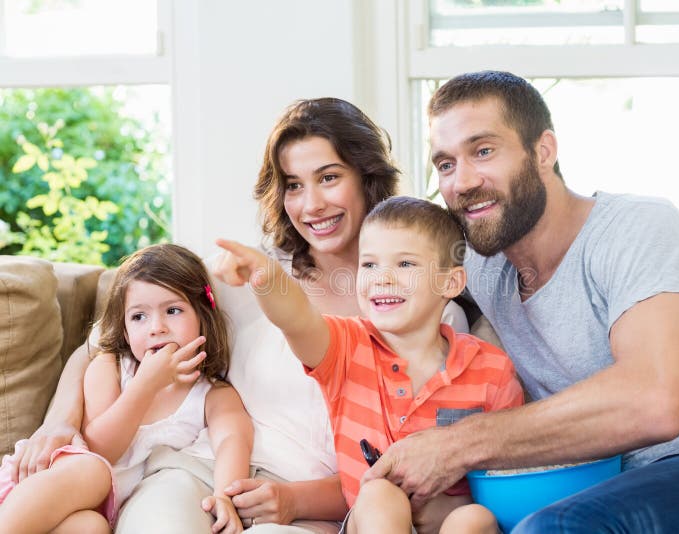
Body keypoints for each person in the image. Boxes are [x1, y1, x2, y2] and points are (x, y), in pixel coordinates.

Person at [362, 70, 679, 532]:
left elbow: (657, 400)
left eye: (483, 151)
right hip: (605, 486)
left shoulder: (638, 228)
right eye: (446, 164)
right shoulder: (483, 263)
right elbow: (384, 269)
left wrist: (457, 445)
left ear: (543, 151)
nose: (462, 181)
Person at [8, 97, 466, 533]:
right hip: (198, 473)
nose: (311, 205)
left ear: (367, 177)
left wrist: (295, 500)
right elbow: (100, 348)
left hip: (318, 506)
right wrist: (59, 422)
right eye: (293, 185)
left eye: (328, 177)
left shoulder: (423, 310)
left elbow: (403, 468)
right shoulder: (245, 274)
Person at [214, 196, 524, 534]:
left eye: (405, 264)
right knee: (380, 493)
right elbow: (297, 320)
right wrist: (266, 275)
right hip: (371, 522)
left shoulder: (491, 369)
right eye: (370, 264)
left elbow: (509, 469)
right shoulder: (346, 347)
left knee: (474, 518)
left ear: (449, 282)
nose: (382, 278)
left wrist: (457, 505)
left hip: (450, 523)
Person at [0, 243, 252, 534]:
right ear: (125, 331)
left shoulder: (213, 394)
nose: (156, 327)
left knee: (93, 528)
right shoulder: (111, 368)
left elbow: (232, 440)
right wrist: (145, 386)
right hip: (42, 485)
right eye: (139, 317)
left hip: (100, 511)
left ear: (202, 317)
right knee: (94, 471)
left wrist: (224, 495)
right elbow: (100, 449)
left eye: (173, 310)